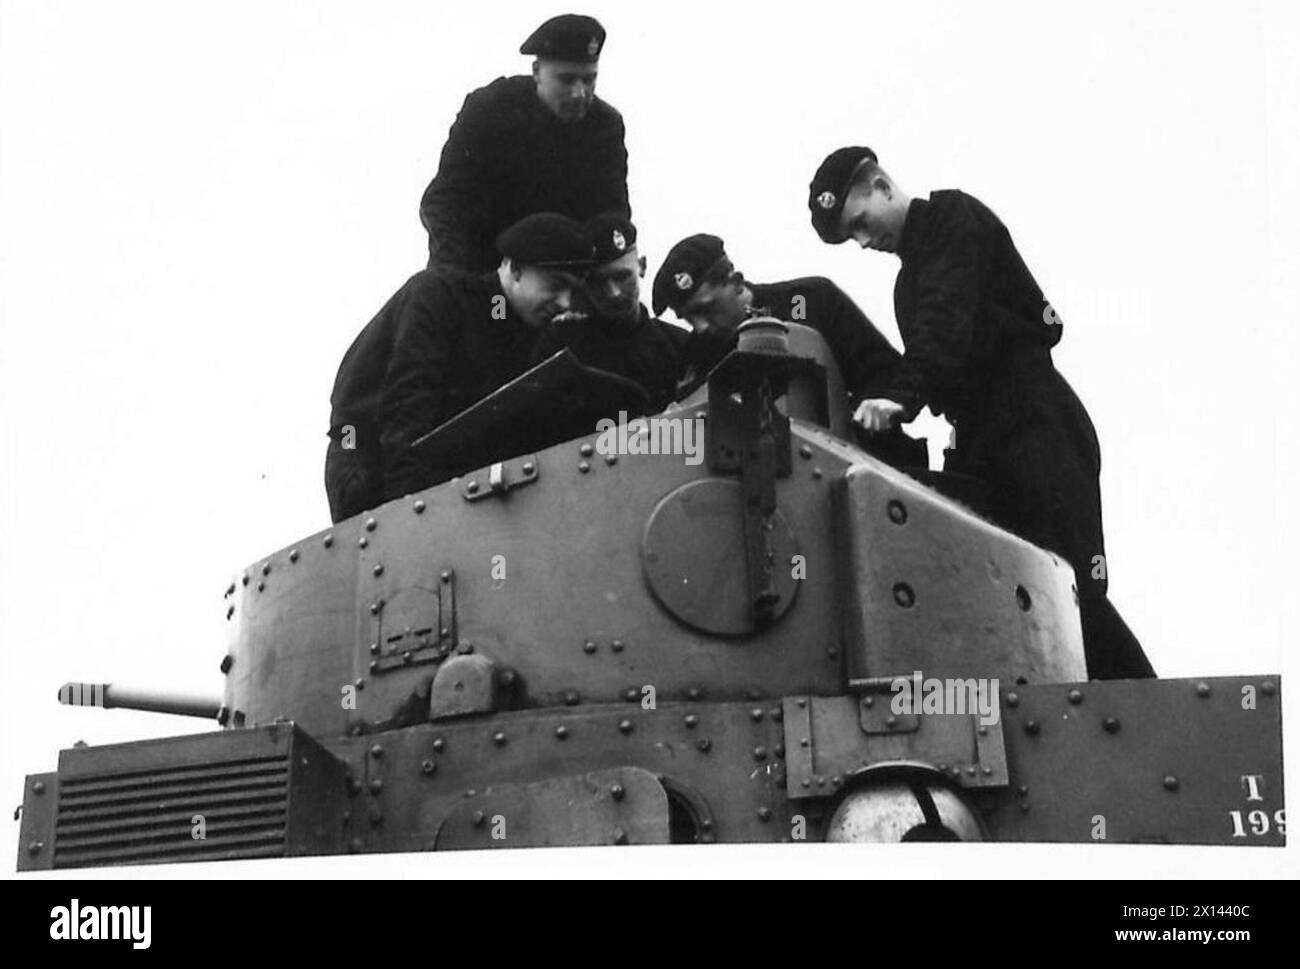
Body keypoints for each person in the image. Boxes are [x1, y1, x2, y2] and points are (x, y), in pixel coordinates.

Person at [807, 145, 1154, 680]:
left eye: (859, 222)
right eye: (850, 236)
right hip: (980, 438)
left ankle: (1146, 712)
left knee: (1069, 589)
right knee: (1009, 592)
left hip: (1033, 420)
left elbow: (944, 329)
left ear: (880, 185)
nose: (862, 239)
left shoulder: (952, 218)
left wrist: (899, 398)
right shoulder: (907, 285)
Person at [325, 213, 593, 522]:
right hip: (367, 456)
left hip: (443, 470)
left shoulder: (523, 326)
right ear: (515, 269)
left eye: (573, 291)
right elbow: (408, 405)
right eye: (556, 285)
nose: (565, 302)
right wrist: (408, 511)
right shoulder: (439, 296)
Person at [418, 14, 630, 271]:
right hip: (488, 275)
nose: (579, 93)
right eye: (566, 80)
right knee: (496, 312)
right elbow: (444, 202)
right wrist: (464, 280)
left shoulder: (605, 126)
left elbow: (612, 216)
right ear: (537, 72)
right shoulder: (490, 110)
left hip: (563, 280)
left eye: (589, 80)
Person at [650, 233, 921, 431]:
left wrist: (877, 406)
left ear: (736, 282)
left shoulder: (806, 302)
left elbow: (884, 369)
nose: (701, 327)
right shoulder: (696, 353)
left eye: (706, 309)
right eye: (688, 318)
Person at [537, 212, 682, 412]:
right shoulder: (560, 349)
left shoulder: (677, 345)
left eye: (622, 276)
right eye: (597, 282)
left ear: (642, 266)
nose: (613, 293)